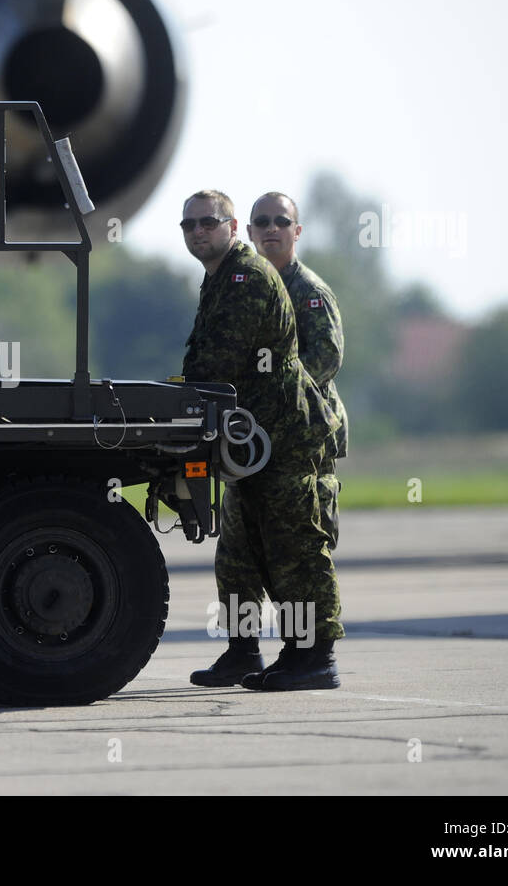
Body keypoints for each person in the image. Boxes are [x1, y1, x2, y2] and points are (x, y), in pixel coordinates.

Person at [178, 189, 344, 691]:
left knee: (293, 546)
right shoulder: (221, 278)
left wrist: (178, 404)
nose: (198, 231)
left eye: (208, 222)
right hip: (253, 441)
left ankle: (313, 656)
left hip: (285, 437)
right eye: (189, 225)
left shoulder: (247, 278)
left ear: (230, 228)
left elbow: (218, 362)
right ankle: (245, 649)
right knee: (241, 553)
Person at [247, 192, 348, 550]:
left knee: (306, 545)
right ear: (249, 232)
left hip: (306, 433)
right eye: (262, 222)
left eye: (282, 221)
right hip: (262, 435)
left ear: (297, 230)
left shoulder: (308, 290)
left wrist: (272, 391)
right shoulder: (252, 288)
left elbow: (326, 357)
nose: (271, 228)